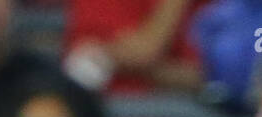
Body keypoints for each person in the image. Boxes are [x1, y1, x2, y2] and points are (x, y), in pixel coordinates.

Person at [62, 0, 209, 95]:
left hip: (195, 116)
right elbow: (143, 53)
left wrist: (120, 61)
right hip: (115, 113)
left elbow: (200, 76)